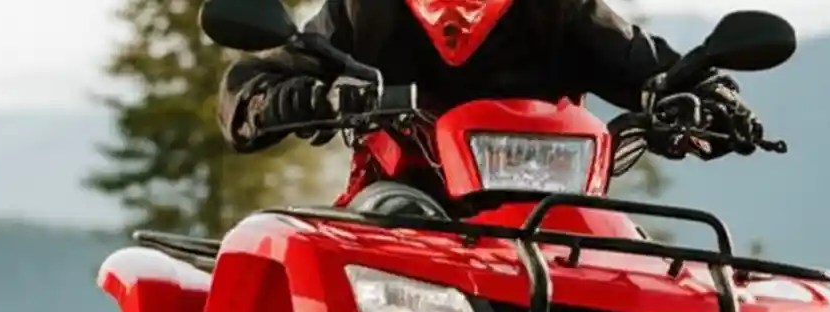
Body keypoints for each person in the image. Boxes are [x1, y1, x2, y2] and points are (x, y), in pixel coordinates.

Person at [216, 0, 754, 162]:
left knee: (644, 282)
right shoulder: (364, 10)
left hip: (552, 218)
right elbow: (254, 82)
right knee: (288, 271)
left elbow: (655, 71)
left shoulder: (565, 11)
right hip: (402, 209)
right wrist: (289, 100)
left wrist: (708, 99)